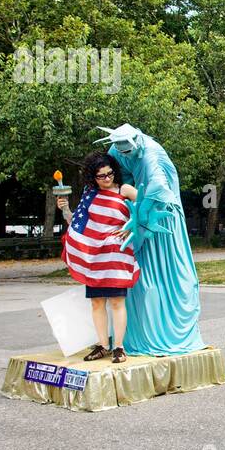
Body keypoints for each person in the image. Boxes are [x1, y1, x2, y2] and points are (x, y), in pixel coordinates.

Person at [98, 124, 206, 356]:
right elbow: (111, 180)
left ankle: (162, 331)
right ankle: (127, 334)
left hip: (161, 218)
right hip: (137, 216)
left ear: (137, 140)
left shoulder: (151, 153)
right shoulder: (116, 150)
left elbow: (157, 190)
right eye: (120, 150)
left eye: (128, 150)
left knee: (167, 276)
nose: (124, 154)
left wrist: (138, 216)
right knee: (138, 279)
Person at [58, 152, 140, 363]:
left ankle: (119, 348)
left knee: (117, 302)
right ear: (92, 177)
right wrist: (65, 209)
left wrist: (131, 226)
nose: (106, 178)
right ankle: (103, 345)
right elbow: (76, 224)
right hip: (94, 257)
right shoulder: (89, 194)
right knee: (96, 303)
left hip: (116, 256)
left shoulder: (125, 190)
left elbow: (146, 210)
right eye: (101, 176)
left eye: (109, 173)